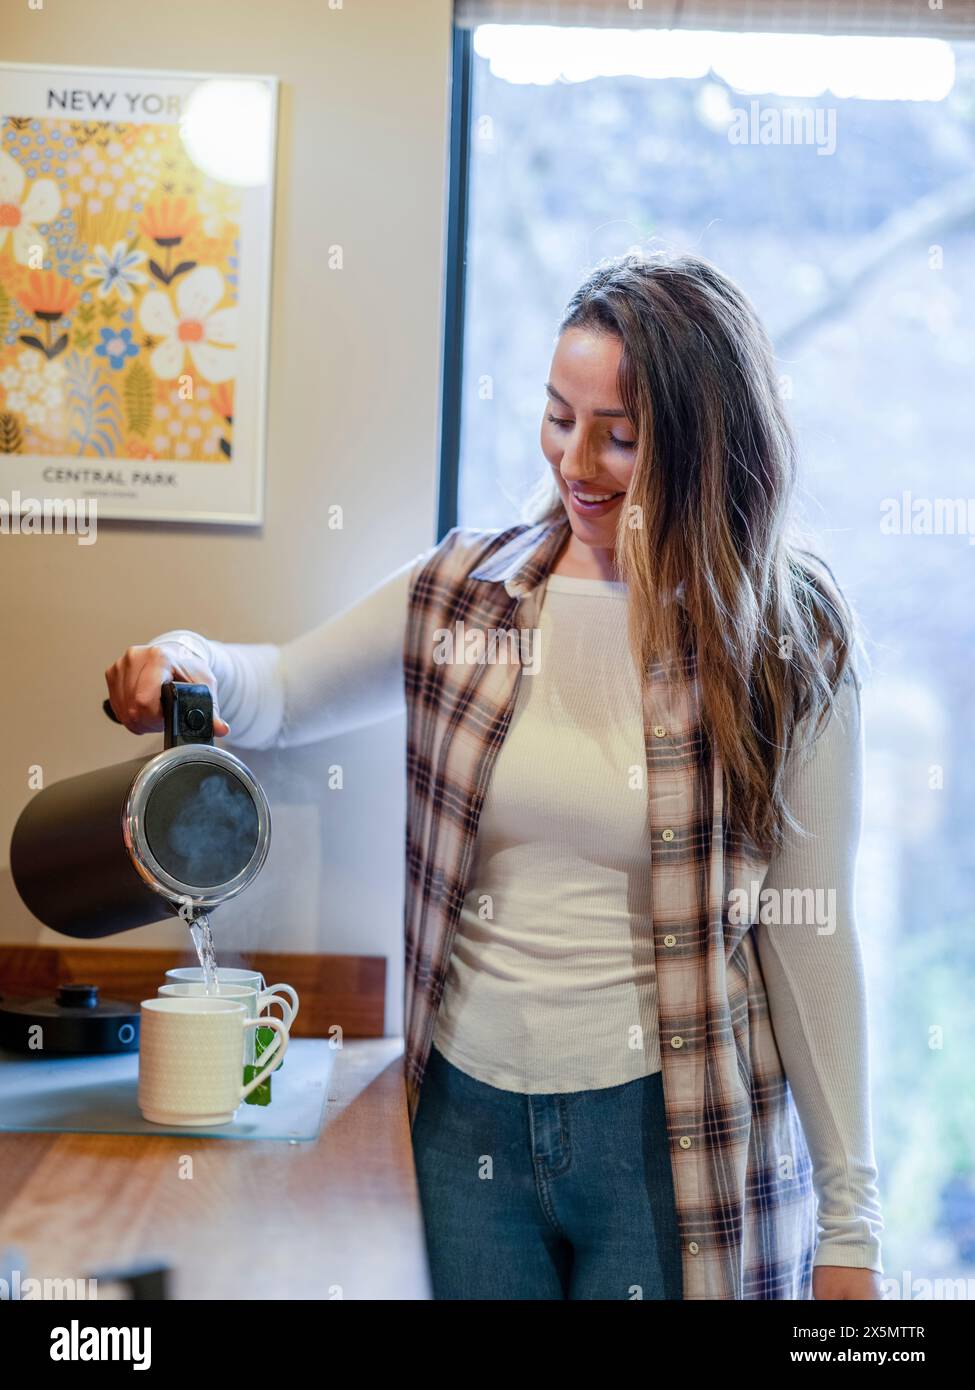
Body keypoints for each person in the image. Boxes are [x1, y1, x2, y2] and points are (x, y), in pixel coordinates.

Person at [105, 250, 884, 1301]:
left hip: (669, 1133)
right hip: (465, 1121)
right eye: (559, 417)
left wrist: (854, 1225)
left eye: (621, 435)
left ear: (706, 447)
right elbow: (280, 688)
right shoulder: (464, 594)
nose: (578, 461)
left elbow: (809, 930)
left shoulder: (782, 637)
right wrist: (182, 657)